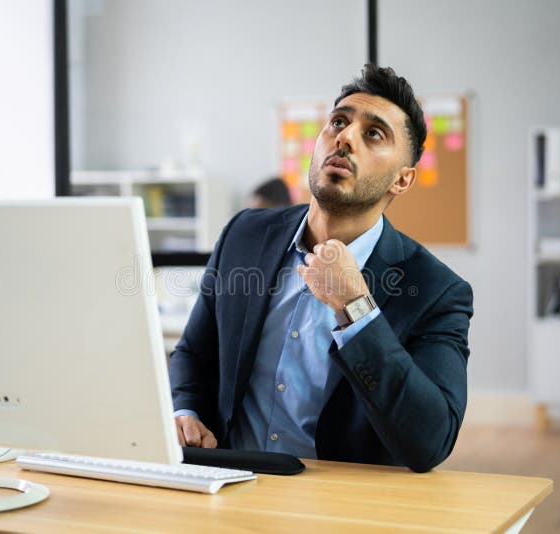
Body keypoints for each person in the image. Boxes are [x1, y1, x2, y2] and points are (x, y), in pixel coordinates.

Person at [169, 64, 473, 472]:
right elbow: (194, 352)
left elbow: (430, 442)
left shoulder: (437, 290)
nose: (346, 136)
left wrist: (355, 306)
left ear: (402, 180)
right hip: (227, 483)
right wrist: (185, 410)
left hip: (337, 507)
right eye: (339, 122)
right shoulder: (244, 234)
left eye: (373, 134)